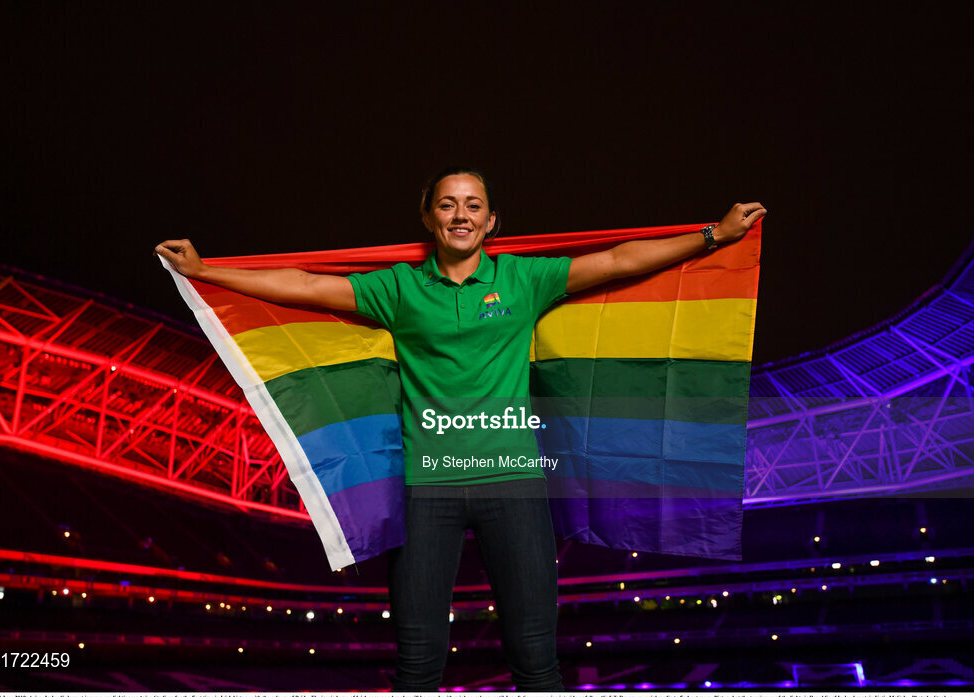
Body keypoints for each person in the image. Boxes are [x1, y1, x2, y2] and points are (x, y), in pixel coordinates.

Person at [156, 166, 765, 691]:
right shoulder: (398, 287)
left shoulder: (522, 281)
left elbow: (616, 261)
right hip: (427, 491)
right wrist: (208, 271)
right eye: (447, 203)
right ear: (429, 217)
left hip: (515, 487)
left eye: (473, 205)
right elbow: (305, 286)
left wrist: (714, 235)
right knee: (418, 667)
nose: (460, 214)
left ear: (492, 221)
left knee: (536, 664)